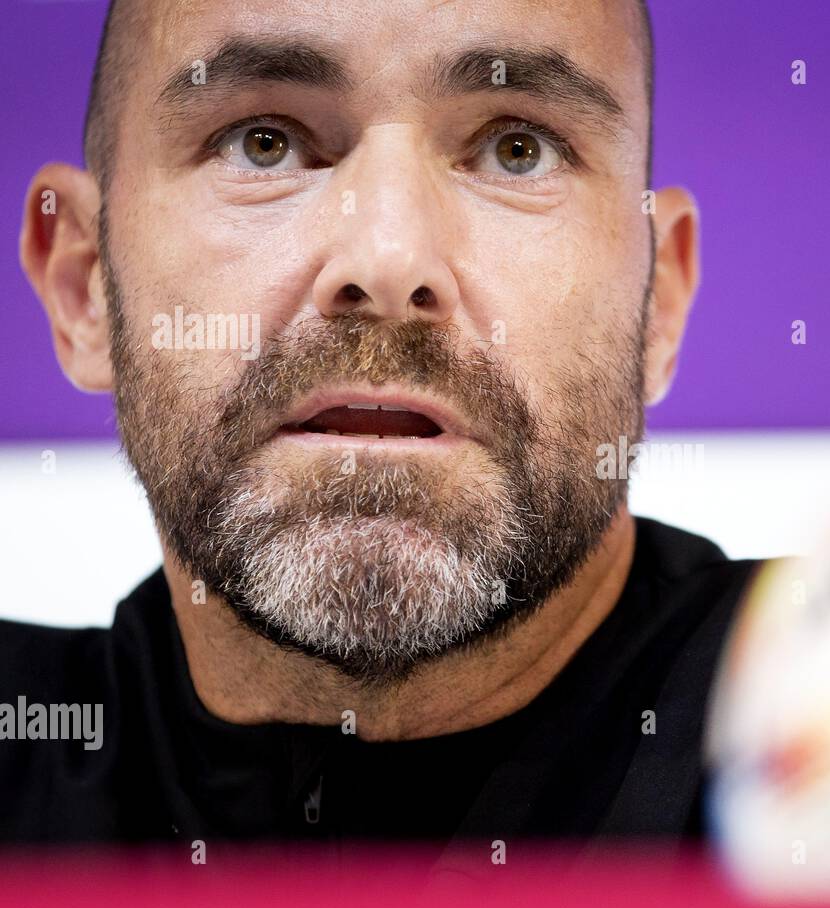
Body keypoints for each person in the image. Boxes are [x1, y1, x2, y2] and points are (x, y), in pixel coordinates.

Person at [1, 0, 761, 850]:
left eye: (517, 150)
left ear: (657, 304)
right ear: (84, 289)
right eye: (266, 142)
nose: (388, 262)